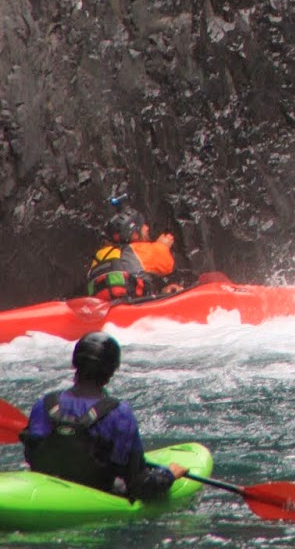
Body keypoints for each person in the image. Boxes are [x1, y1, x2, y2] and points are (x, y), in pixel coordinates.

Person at [20, 332, 186, 500]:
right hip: (94, 493)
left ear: (75, 364)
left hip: (44, 490)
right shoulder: (119, 413)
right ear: (111, 372)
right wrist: (168, 475)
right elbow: (138, 484)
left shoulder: (45, 404)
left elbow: (32, 452)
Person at [84, 209, 177, 300]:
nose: (147, 227)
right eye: (142, 225)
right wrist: (163, 245)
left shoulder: (100, 255)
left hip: (108, 307)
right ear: (135, 235)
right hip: (136, 306)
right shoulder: (136, 250)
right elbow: (167, 265)